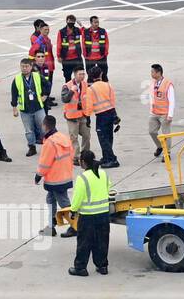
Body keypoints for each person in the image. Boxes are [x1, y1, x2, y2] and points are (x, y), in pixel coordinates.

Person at [69, 149, 112, 277]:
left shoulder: (82, 178)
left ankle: (80, 268)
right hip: (104, 214)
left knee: (84, 242)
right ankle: (102, 266)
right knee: (102, 241)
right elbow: (109, 188)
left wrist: (73, 210)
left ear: (83, 162)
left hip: (88, 217)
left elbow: (78, 197)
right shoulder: (103, 173)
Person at [35, 115, 76, 239]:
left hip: (55, 179)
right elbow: (72, 155)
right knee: (51, 200)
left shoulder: (50, 143)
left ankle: (75, 226)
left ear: (45, 126)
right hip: (65, 176)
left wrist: (38, 175)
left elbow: (45, 163)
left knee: (64, 203)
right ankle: (51, 226)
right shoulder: (63, 138)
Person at [10, 57, 50, 157]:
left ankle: (49, 147)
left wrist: (45, 95)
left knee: (44, 128)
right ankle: (32, 147)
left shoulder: (37, 76)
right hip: (25, 110)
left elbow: (47, 84)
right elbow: (14, 94)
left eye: (26, 66)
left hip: (38, 108)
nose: (24, 68)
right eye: (22, 66)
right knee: (29, 130)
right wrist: (14, 108)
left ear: (31, 67)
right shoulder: (17, 79)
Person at [87, 65, 121, 169]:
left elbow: (89, 106)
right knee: (109, 137)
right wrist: (114, 114)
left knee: (103, 138)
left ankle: (112, 159)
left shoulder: (91, 89)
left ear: (91, 77)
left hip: (101, 116)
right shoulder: (108, 85)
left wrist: (87, 117)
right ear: (101, 74)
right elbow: (113, 100)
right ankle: (106, 157)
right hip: (110, 113)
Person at [61, 64, 93, 154]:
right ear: (74, 75)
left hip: (83, 116)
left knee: (87, 135)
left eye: (83, 74)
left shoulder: (86, 85)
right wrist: (71, 91)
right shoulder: (67, 86)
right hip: (72, 117)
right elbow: (64, 99)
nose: (82, 76)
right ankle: (76, 156)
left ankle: (85, 154)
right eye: (80, 74)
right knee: (73, 137)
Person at [148, 64, 175, 161]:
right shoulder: (153, 83)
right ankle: (160, 146)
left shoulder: (168, 84)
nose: (151, 74)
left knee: (166, 134)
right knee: (152, 131)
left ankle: (167, 153)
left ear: (158, 73)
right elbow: (152, 96)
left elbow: (172, 100)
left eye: (152, 72)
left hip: (165, 114)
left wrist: (170, 114)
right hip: (155, 112)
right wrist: (151, 108)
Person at [56, 14, 85, 82]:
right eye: (70, 21)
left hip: (77, 58)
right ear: (66, 21)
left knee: (80, 76)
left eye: (73, 21)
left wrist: (81, 24)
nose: (71, 22)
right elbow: (59, 44)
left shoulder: (77, 30)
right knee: (67, 77)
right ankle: (69, 91)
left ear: (74, 22)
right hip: (66, 59)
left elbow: (86, 32)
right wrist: (59, 56)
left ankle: (80, 90)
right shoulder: (61, 32)